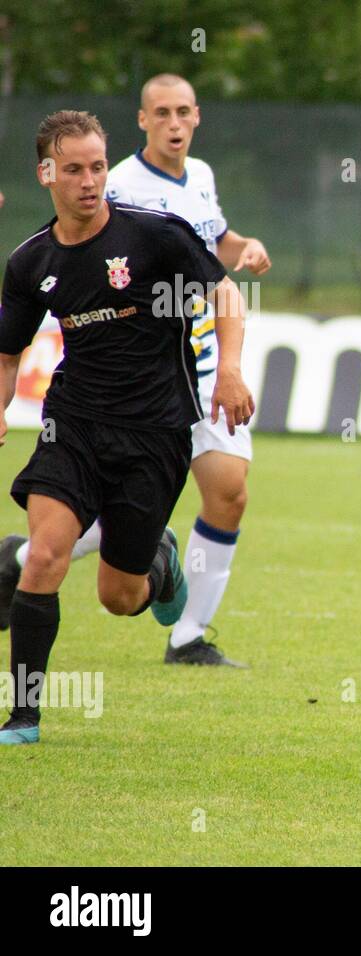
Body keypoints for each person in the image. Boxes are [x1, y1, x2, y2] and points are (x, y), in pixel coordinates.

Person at [0, 110, 253, 744]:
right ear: (46, 174)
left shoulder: (155, 237)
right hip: (73, 426)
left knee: (119, 596)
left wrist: (229, 371)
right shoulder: (31, 261)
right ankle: (24, 717)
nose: (89, 181)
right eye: (74, 169)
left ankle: (158, 561)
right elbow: (8, 354)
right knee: (45, 557)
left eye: (97, 167)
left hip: (155, 433)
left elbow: (226, 294)